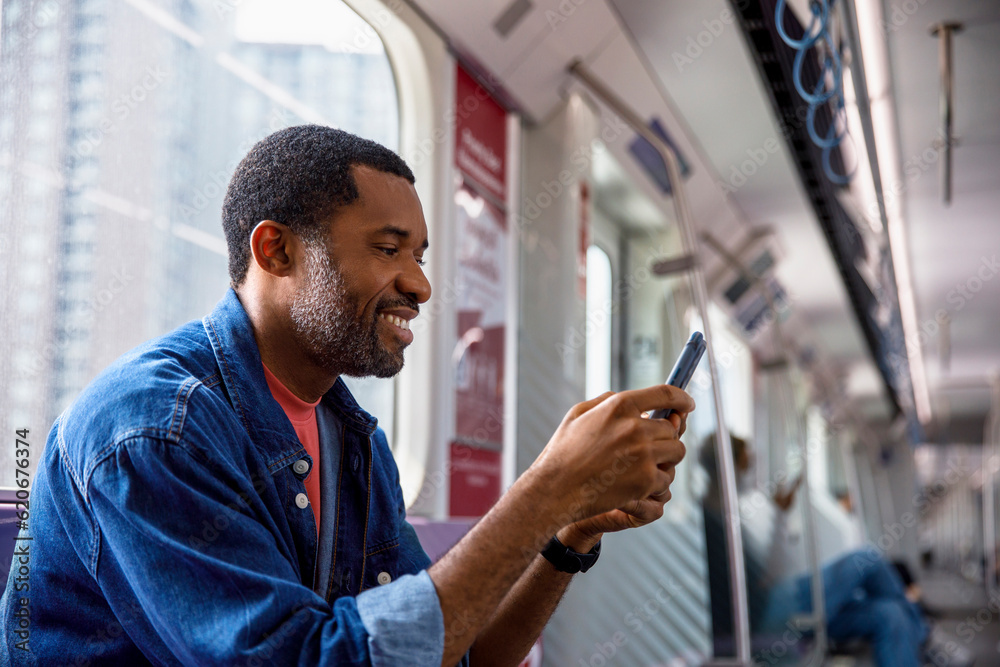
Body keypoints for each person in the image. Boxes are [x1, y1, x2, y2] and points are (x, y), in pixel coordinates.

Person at [0, 125, 695, 666]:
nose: (420, 285)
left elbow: (453, 651)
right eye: (389, 248)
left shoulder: (351, 438)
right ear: (275, 251)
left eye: (420, 255)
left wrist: (569, 529)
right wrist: (544, 490)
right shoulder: (153, 430)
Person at [699, 433, 928, 667]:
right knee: (868, 558)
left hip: (775, 603)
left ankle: (913, 623)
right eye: (746, 464)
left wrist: (779, 515)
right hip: (774, 608)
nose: (749, 473)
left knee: (889, 615)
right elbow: (761, 582)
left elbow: (763, 573)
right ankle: (920, 626)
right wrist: (779, 517)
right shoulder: (712, 519)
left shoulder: (729, 513)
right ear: (726, 467)